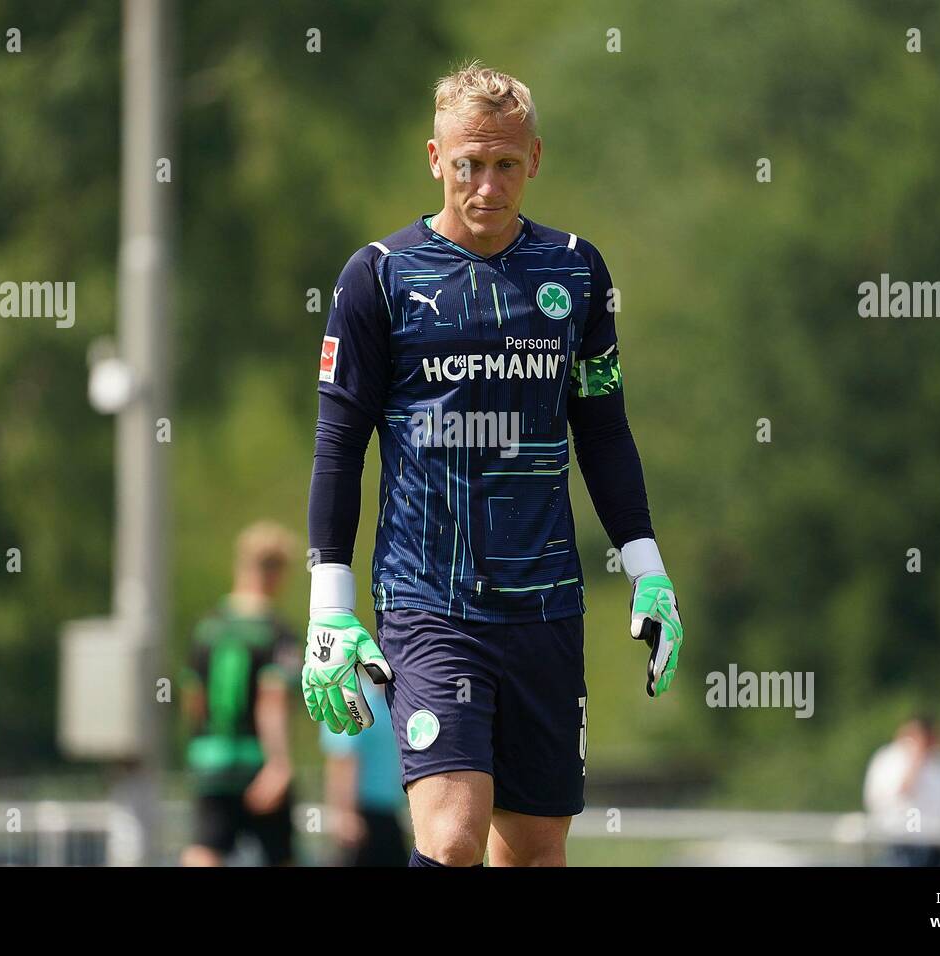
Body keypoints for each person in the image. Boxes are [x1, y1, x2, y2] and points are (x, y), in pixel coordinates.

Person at [301, 61, 684, 867]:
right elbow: (339, 441)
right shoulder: (377, 276)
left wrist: (648, 568)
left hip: (545, 604)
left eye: (504, 164)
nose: (485, 184)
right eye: (468, 163)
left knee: (535, 853)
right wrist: (328, 602)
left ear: (534, 160)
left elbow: (605, 432)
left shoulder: (577, 273)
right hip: (428, 599)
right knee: (451, 839)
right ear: (434, 157)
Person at [180, 522, 301, 866]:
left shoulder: (207, 627)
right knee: (280, 855)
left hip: (211, 758)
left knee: (205, 849)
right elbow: (272, 700)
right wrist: (278, 764)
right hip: (257, 762)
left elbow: (194, 699)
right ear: (277, 572)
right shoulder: (278, 633)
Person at [320, 673, 410, 866]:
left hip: (387, 814)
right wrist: (345, 814)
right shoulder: (353, 701)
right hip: (361, 815)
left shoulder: (392, 705)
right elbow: (342, 760)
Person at [862, 716, 940, 865]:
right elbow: (901, 792)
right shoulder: (890, 759)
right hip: (899, 842)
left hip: (938, 843)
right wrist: (917, 759)